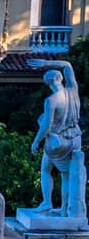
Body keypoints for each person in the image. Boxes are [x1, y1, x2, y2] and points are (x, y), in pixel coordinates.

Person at [33, 61, 84, 218]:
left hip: (58, 142)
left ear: (53, 80)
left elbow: (47, 125)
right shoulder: (73, 90)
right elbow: (68, 65)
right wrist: (46, 63)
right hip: (75, 138)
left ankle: (47, 202)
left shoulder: (51, 100)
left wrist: (36, 141)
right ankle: (64, 209)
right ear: (60, 78)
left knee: (45, 169)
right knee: (67, 175)